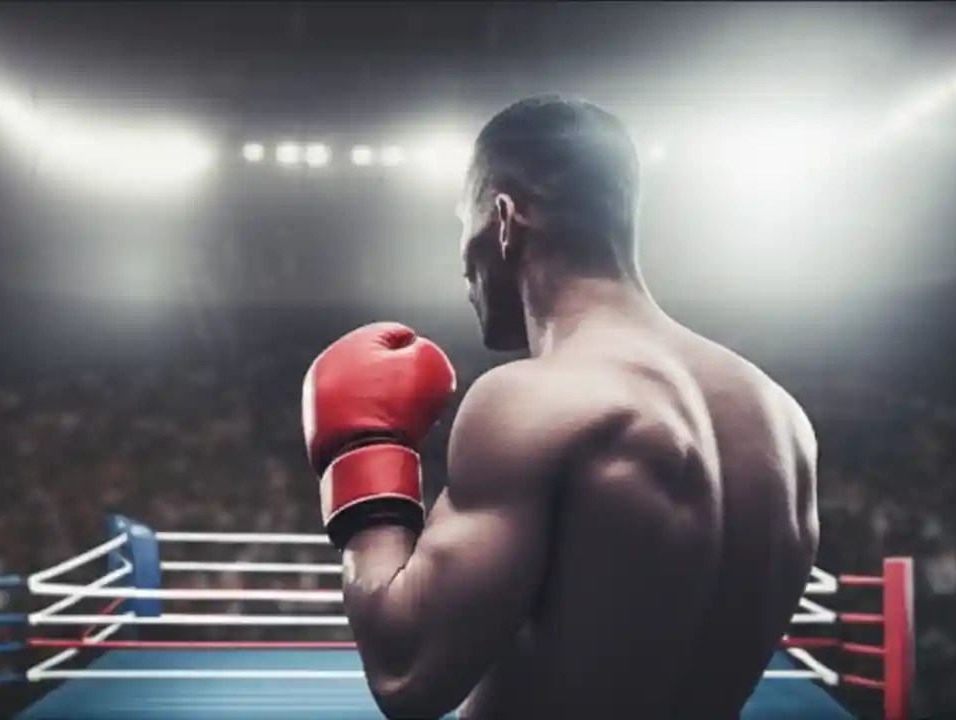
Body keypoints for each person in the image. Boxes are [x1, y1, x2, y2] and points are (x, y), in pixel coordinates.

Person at [301, 95, 820, 719]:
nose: (461, 264)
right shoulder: (782, 419)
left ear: (502, 219)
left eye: (460, 225)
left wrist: (364, 459)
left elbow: (405, 672)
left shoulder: (531, 399)